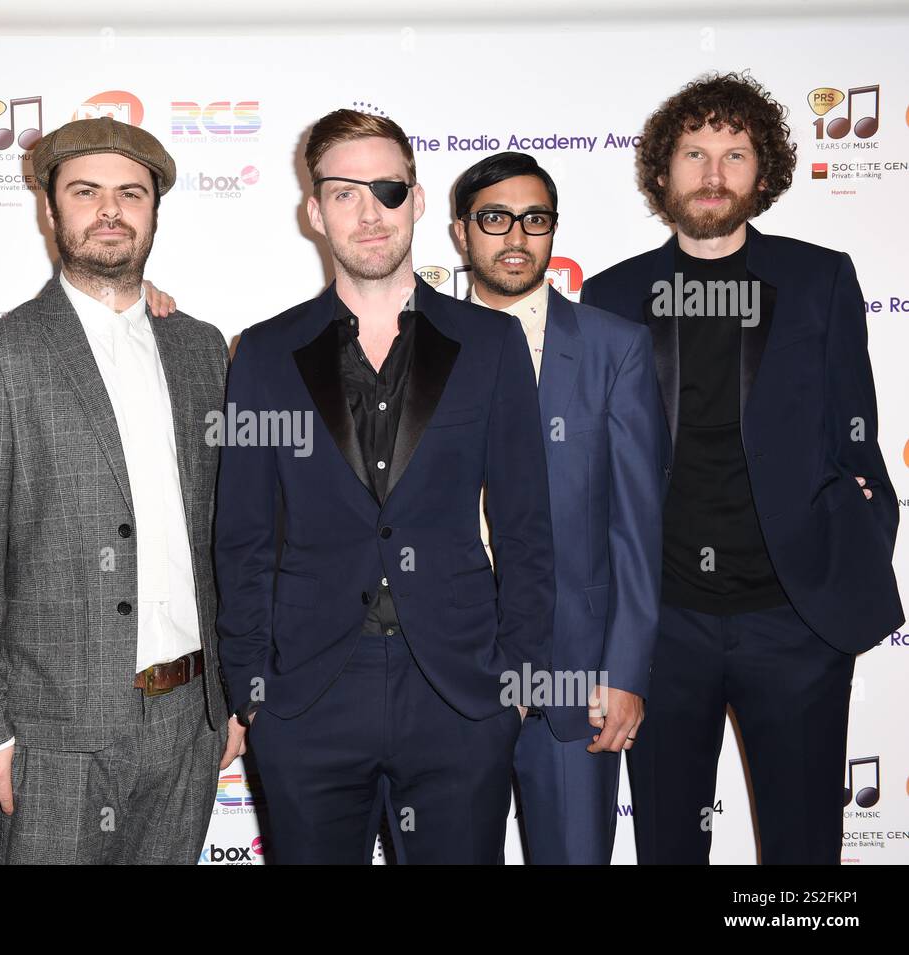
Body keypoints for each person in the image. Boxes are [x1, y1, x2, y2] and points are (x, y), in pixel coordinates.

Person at [215, 110, 555, 864]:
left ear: (419, 200)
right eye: (344, 193)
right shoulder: (266, 353)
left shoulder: (490, 344)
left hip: (461, 692)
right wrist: (251, 684)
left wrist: (518, 676)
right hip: (308, 693)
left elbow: (527, 521)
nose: (370, 213)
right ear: (314, 210)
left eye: (388, 189)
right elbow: (241, 535)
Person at [581, 72, 902, 863]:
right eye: (695, 152)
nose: (714, 173)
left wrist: (853, 549)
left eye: (734, 153)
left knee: (802, 861)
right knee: (667, 845)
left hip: (794, 623)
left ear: (765, 172)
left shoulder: (818, 280)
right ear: (664, 171)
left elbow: (857, 439)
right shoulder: (615, 295)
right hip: (663, 628)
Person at [0, 116, 237, 864]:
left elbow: (225, 535)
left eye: (131, 193)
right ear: (49, 209)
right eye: (86, 191)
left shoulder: (201, 348)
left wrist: (232, 697)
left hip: (191, 718)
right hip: (54, 733)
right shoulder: (0, 353)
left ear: (155, 211)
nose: (111, 210)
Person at [452, 151, 663, 864]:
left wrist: (626, 671)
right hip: (443, 680)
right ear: (460, 232)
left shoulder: (615, 348)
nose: (516, 236)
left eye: (535, 219)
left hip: (576, 686)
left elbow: (637, 529)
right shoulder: (417, 345)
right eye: (495, 218)